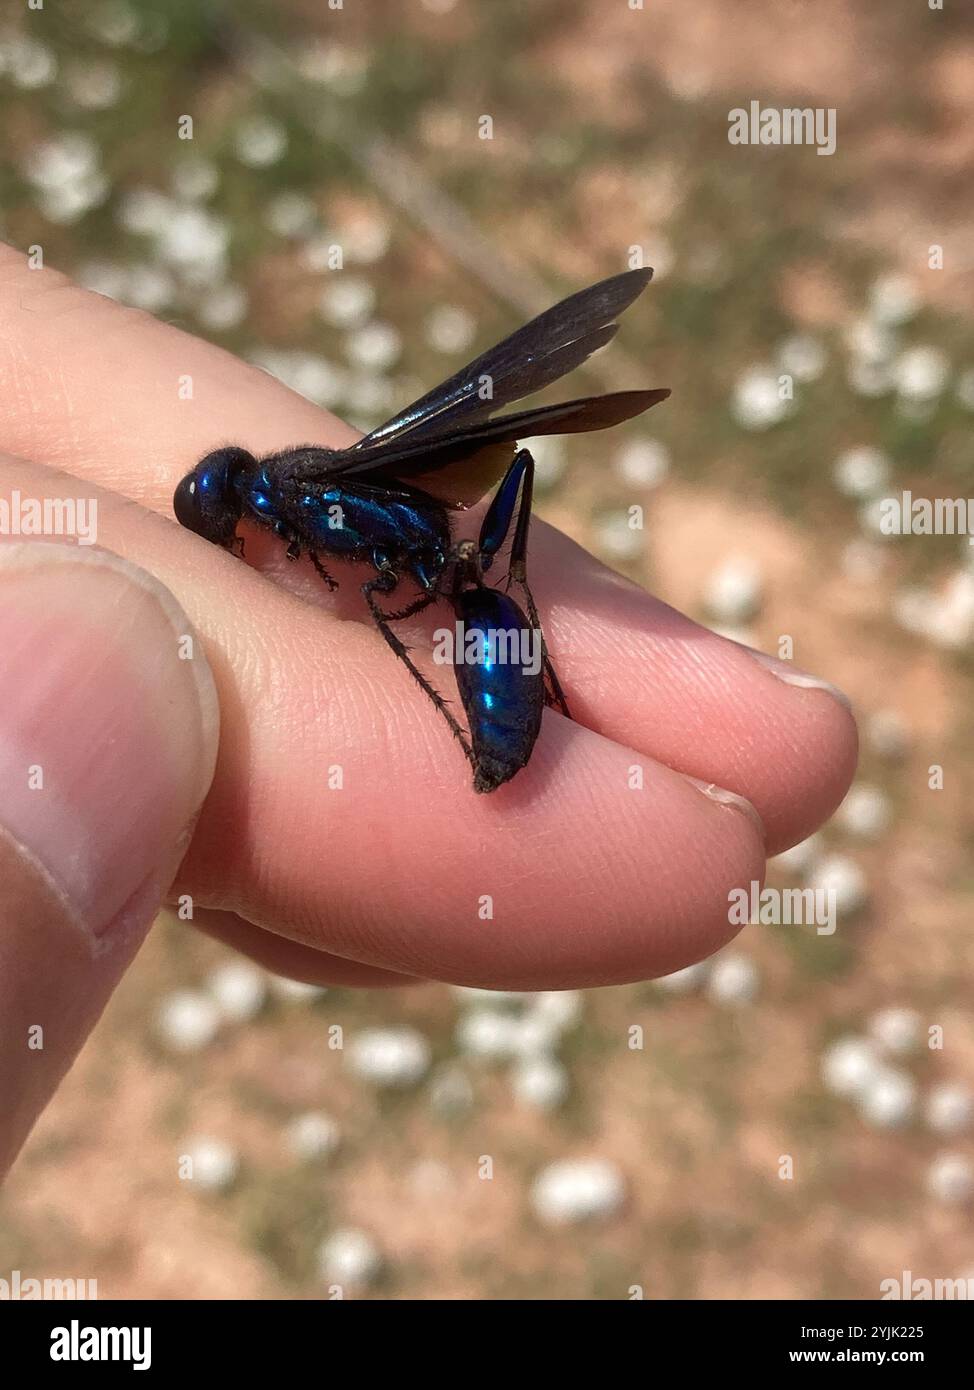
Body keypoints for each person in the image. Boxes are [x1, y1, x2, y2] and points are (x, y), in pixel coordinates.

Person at [0, 245, 857, 1175]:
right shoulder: (305, 496)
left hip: (474, 619)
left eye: (231, 519)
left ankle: (481, 729)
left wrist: (470, 639)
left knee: (389, 601)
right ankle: (492, 699)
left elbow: (368, 588)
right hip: (472, 605)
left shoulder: (305, 497)